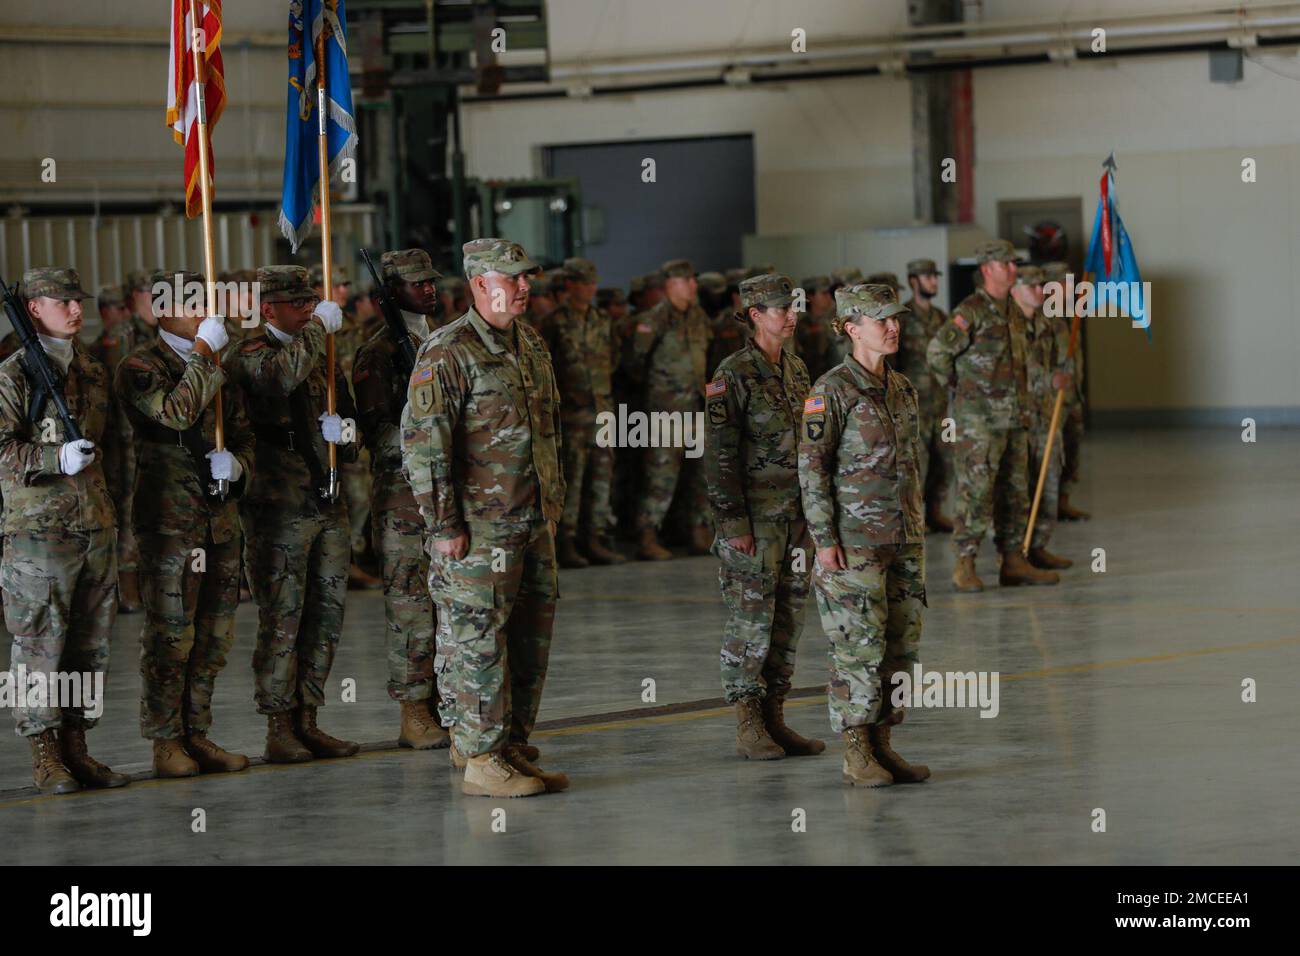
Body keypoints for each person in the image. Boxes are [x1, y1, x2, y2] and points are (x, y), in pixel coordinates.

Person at [401, 238, 567, 799]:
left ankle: (509, 743)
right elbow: (424, 446)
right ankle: (480, 756)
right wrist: (445, 526)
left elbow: (548, 434)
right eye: (512, 278)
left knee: (529, 638)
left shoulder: (530, 345)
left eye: (528, 277)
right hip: (477, 528)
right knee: (477, 641)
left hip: (531, 520)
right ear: (479, 284)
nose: (525, 287)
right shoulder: (449, 351)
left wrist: (552, 506)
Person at [115, 270, 255, 776]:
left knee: (214, 637)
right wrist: (202, 353)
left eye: (207, 300)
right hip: (171, 522)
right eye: (191, 301)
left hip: (219, 520)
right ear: (159, 310)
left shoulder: (220, 359)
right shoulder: (138, 366)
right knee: (171, 638)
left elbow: (243, 434)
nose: (204, 308)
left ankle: (198, 733)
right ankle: (165, 740)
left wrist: (239, 467)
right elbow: (174, 413)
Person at [0, 267, 129, 793]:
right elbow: (3, 452)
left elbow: (115, 451)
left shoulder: (94, 372)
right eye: (62, 302)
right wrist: (56, 456)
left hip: (94, 528)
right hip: (39, 536)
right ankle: (45, 754)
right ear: (34, 308)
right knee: (39, 646)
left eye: (78, 301)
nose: (76, 310)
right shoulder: (12, 375)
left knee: (89, 646)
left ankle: (78, 747)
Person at [798, 282, 930, 788]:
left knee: (901, 646)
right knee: (858, 647)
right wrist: (824, 538)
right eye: (881, 320)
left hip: (903, 538)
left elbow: (911, 468)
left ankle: (883, 743)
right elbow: (811, 468)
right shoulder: (830, 391)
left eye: (896, 318)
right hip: (852, 543)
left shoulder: (902, 388)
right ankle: (856, 750)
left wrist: (916, 530)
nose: (893, 327)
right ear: (852, 328)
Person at [231, 265, 361, 763]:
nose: (309, 309)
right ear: (269, 310)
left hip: (327, 498)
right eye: (298, 303)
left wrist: (344, 436)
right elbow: (279, 377)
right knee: (283, 615)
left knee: (325, 615)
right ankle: (279, 724)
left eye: (312, 301)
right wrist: (316, 329)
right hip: (278, 503)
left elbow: (351, 424)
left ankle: (310, 718)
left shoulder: (324, 352)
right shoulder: (250, 352)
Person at [704, 273, 822, 760]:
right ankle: (748, 721)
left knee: (787, 620)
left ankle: (775, 715)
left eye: (793, 307)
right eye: (780, 308)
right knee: (751, 622)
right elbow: (719, 454)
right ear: (755, 315)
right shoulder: (731, 375)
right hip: (756, 521)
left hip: (796, 519)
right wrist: (733, 524)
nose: (791, 315)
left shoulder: (796, 369)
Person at [352, 248, 451, 750]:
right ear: (391, 293)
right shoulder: (379, 352)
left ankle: (447, 701)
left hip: (446, 493)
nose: (428, 289)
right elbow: (376, 430)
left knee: (449, 604)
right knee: (411, 605)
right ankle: (413, 710)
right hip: (404, 497)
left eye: (430, 281)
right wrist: (426, 441)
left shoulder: (441, 339)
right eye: (416, 284)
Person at [926, 240, 1058, 591]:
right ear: (987, 269)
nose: (1013, 270)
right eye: (1006, 265)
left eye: (1014, 264)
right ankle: (965, 562)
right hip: (979, 423)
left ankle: (1013, 560)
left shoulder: (1014, 311)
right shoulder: (971, 311)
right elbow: (938, 353)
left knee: (1016, 491)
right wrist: (962, 390)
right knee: (976, 491)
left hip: (1016, 419)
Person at [622, 258, 713, 560]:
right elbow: (635, 363)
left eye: (693, 280)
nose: (693, 286)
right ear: (670, 285)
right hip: (665, 411)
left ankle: (699, 530)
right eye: (686, 281)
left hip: (696, 407)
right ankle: (647, 535)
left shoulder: (699, 317)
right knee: (661, 475)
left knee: (701, 473)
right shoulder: (654, 320)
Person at [539, 257, 625, 567]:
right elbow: (545, 365)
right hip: (573, 414)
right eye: (583, 283)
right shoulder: (554, 322)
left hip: (602, 410)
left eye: (592, 282)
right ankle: (568, 541)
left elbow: (612, 357)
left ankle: (595, 537)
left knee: (601, 479)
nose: (589, 288)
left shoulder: (602, 319)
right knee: (572, 480)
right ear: (570, 285)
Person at [1010, 266, 1073, 570]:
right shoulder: (1005, 326)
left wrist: (1062, 378)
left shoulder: (1053, 325)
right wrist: (1049, 380)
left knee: (1048, 482)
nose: (1039, 291)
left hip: (1045, 417)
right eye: (1031, 286)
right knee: (1017, 487)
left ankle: (1038, 545)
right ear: (1015, 290)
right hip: (1014, 420)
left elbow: (1063, 364)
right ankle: (1013, 551)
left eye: (1041, 285)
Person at [89, 283, 144, 613]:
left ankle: (131, 587)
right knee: (117, 511)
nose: (119, 315)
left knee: (133, 511)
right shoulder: (101, 348)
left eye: (122, 308)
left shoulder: (135, 341)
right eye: (113, 308)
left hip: (132, 443)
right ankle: (119, 588)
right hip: (112, 446)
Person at [901, 258, 955, 533]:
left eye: (935, 276)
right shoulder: (902, 318)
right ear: (913, 281)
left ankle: (935, 511)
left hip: (941, 404)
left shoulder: (941, 317)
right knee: (916, 463)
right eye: (927, 276)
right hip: (915, 404)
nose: (934, 281)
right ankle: (915, 517)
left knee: (945, 461)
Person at [1042, 261, 1090, 521]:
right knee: (1052, 455)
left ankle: (1064, 501)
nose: (1068, 287)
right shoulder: (1042, 319)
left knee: (1072, 450)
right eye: (1062, 282)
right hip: (1052, 399)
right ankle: (1045, 510)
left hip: (1073, 397)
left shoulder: (1070, 315)